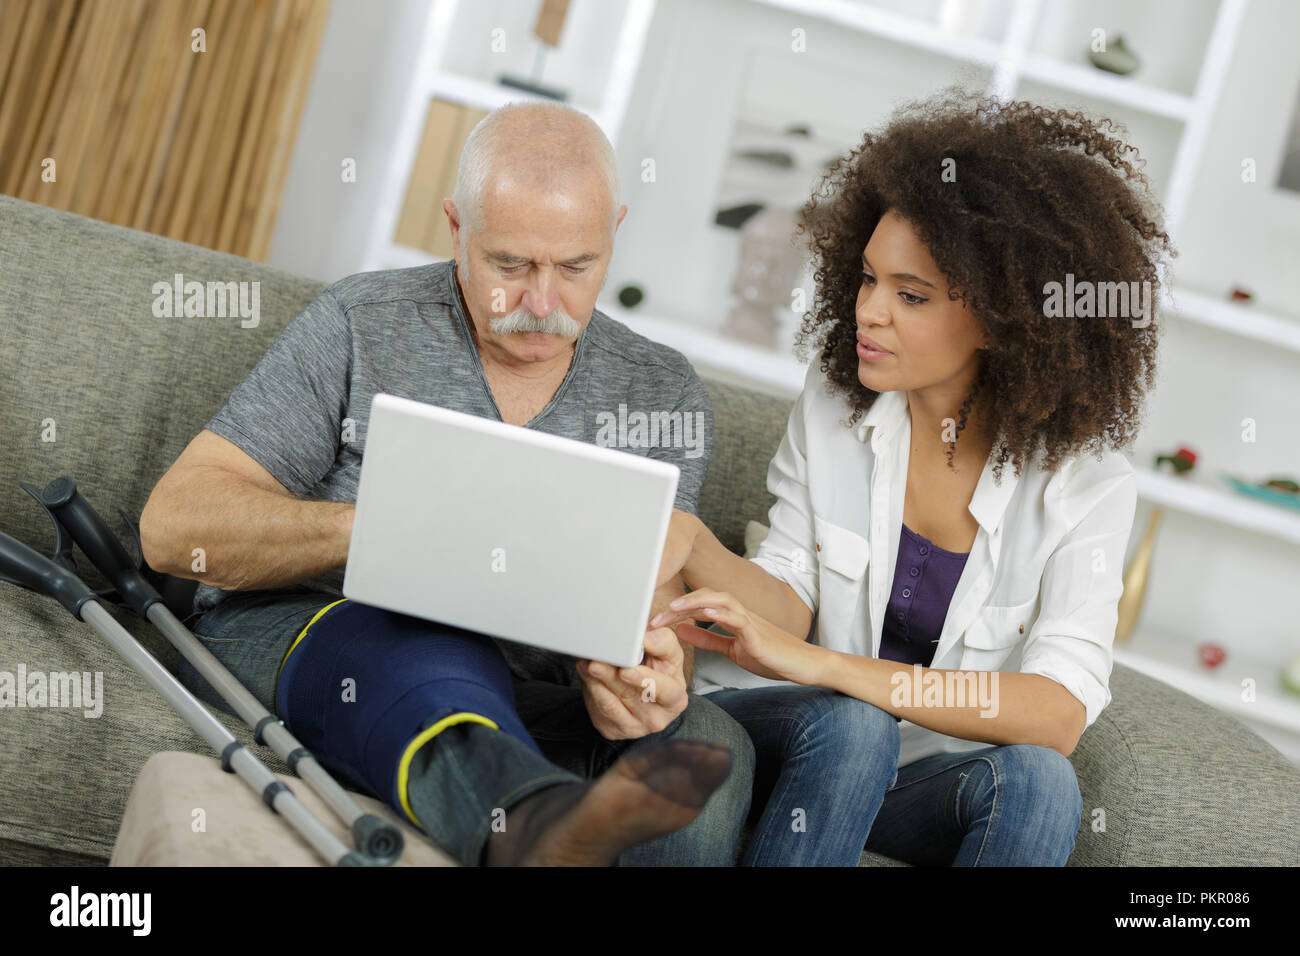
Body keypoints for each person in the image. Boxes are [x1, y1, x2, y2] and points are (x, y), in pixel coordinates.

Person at [139, 101, 755, 866]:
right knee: (431, 650)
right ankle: (528, 828)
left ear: (614, 232)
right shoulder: (363, 322)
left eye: (575, 267)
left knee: (705, 739)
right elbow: (172, 527)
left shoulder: (660, 392)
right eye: (508, 265)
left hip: (519, 687)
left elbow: (655, 613)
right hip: (319, 634)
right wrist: (384, 528)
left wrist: (645, 681)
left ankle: (536, 810)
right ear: (456, 227)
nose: (541, 305)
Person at [651, 91, 1171, 866]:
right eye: (866, 279)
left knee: (1039, 781)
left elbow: (1058, 712)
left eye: (911, 295)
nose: (869, 312)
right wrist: (694, 543)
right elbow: (789, 594)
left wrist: (832, 669)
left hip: (911, 779)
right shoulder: (836, 408)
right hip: (785, 738)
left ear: (1005, 317)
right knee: (853, 727)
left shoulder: (1085, 486)